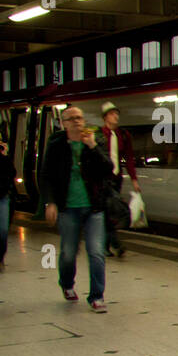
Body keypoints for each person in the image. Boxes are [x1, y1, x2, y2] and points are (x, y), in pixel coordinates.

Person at [40, 106, 115, 312]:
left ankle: (97, 297)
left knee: (96, 252)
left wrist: (92, 147)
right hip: (68, 208)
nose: (77, 121)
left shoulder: (94, 141)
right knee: (68, 252)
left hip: (94, 208)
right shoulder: (56, 146)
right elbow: (46, 176)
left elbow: (109, 169)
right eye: (71, 119)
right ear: (63, 123)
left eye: (80, 118)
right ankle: (66, 283)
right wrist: (51, 202)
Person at [97, 102, 140, 257]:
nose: (116, 116)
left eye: (117, 113)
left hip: (116, 179)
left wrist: (134, 179)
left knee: (111, 212)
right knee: (107, 212)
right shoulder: (99, 135)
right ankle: (115, 244)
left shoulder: (123, 135)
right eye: (112, 113)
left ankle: (107, 245)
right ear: (105, 117)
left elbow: (128, 158)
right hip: (102, 179)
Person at [0, 138, 14, 273]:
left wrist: (5, 156)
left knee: (3, 230)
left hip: (2, 197)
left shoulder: (3, 159)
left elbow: (12, 172)